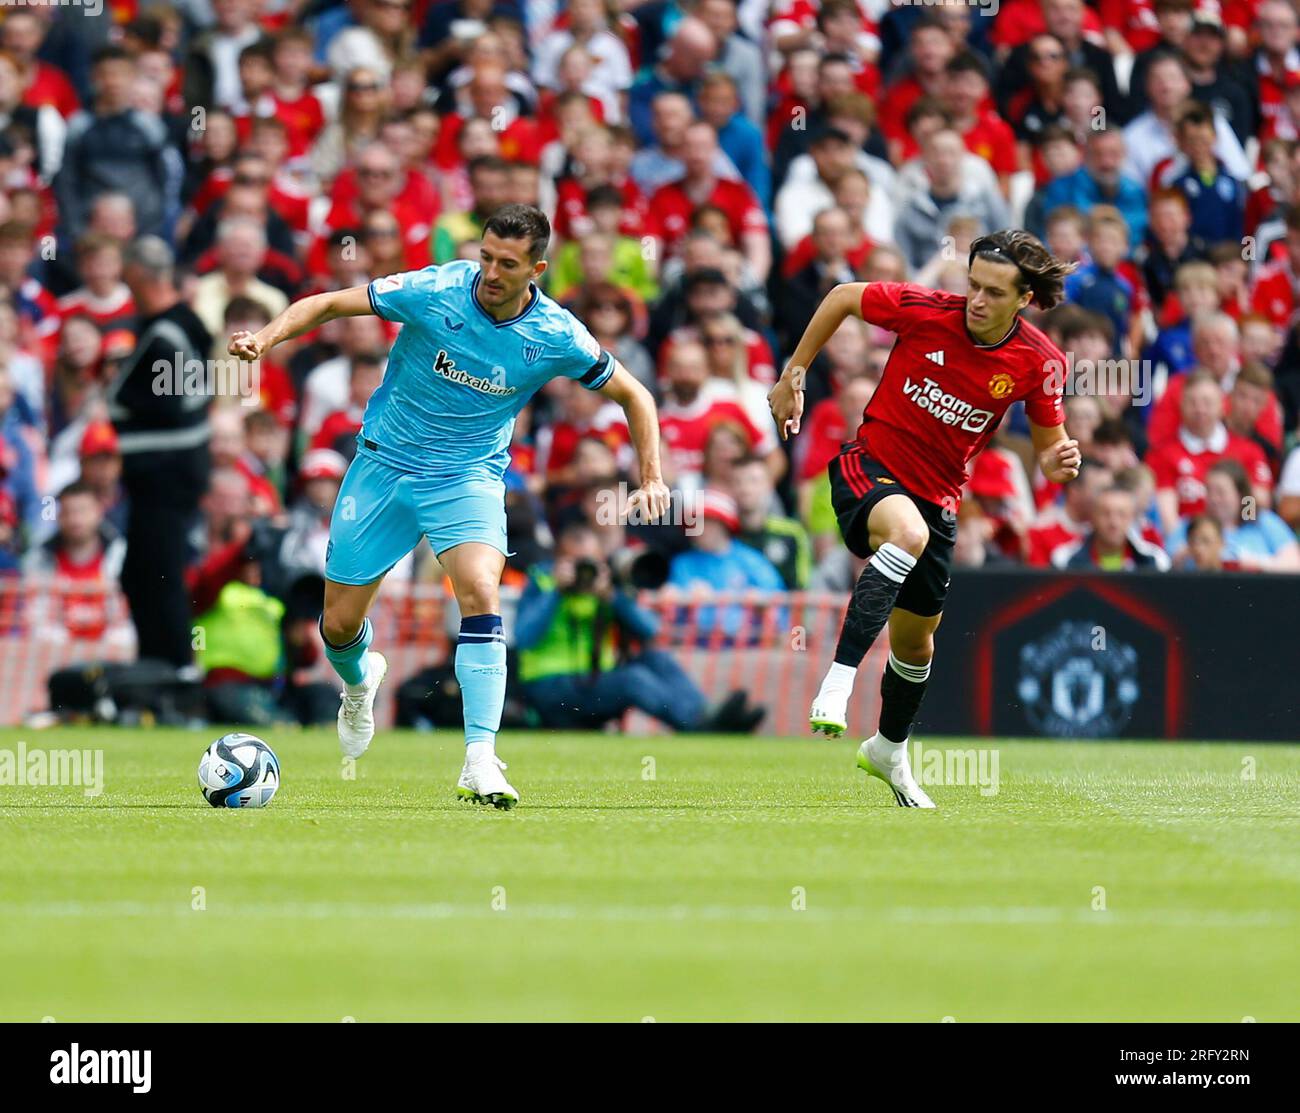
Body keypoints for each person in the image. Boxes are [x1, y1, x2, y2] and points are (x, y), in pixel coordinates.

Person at [227, 203, 670, 810]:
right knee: (338, 625)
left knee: (482, 592)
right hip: (383, 466)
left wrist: (652, 478)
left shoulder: (556, 334)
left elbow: (636, 395)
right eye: (486, 257)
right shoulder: (434, 289)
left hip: (466, 478)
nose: (491, 272)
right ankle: (359, 683)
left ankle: (480, 759)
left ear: (537, 269)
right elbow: (329, 303)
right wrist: (264, 338)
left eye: (507, 264)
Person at [767, 230, 1080, 808]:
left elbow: (1049, 453)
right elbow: (842, 296)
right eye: (974, 285)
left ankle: (888, 750)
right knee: (904, 533)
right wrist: (795, 373)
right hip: (870, 467)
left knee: (917, 647)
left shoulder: (1041, 362)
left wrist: (1059, 463)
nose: (977, 300)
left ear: (1025, 299)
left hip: (939, 499)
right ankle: (838, 683)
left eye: (994, 292)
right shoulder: (925, 309)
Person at [516, 523, 764, 733]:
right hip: (549, 687)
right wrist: (556, 591)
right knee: (631, 680)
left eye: (590, 562)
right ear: (559, 561)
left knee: (656, 658)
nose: (585, 571)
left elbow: (651, 630)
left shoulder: (607, 586)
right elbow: (524, 637)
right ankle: (698, 725)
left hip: (593, 682)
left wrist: (613, 596)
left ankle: (707, 713)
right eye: (577, 563)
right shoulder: (542, 582)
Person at [107, 236, 213, 671]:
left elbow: (169, 401)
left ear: (138, 273)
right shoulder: (178, 324)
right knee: (139, 572)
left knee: (159, 572)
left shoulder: (167, 334)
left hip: (165, 477)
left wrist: (117, 390)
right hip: (163, 477)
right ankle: (155, 665)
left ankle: (174, 670)